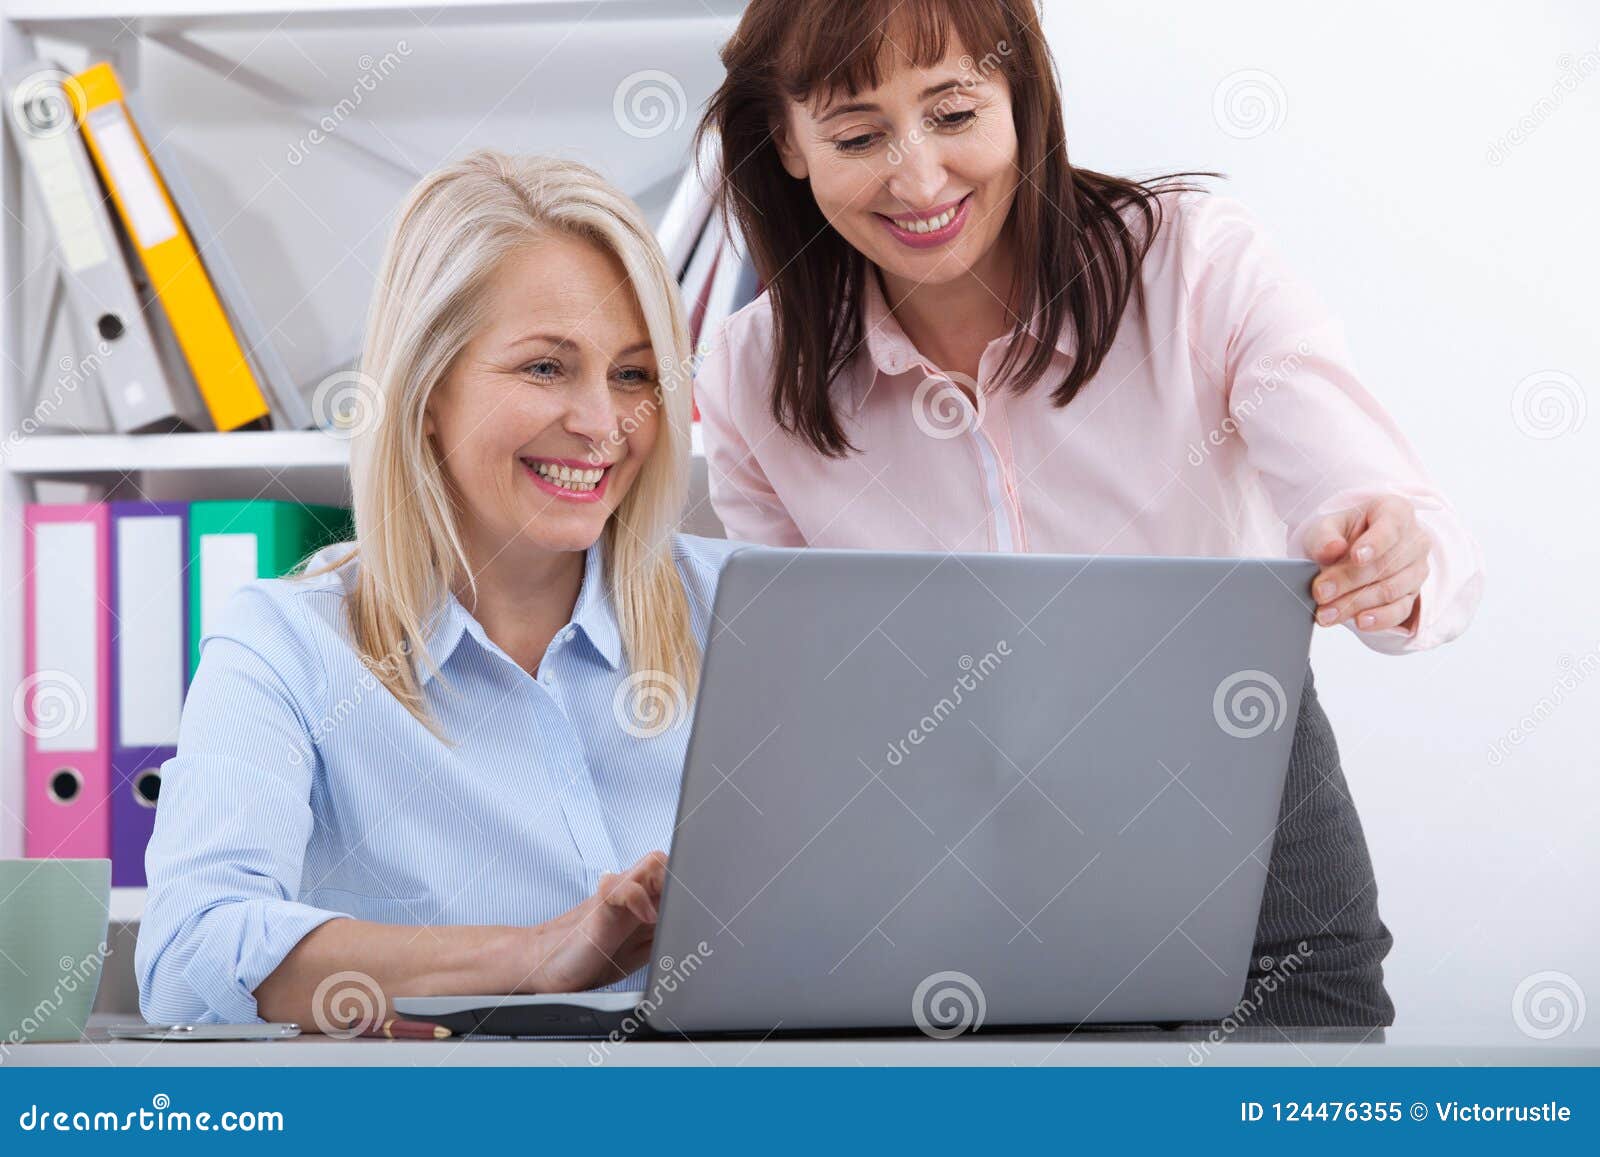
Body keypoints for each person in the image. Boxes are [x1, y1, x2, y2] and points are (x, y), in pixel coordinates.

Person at [694, 0, 1485, 1025]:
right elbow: (802, 704)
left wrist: (1390, 556)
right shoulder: (753, 374)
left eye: (952, 112)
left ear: (1022, 95)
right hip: (940, 859)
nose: (919, 178)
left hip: (1235, 808)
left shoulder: (1192, 263)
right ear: (788, 146)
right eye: (855, 136)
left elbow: (1389, 508)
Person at [136, 151, 739, 1030]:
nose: (603, 424)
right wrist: (535, 956)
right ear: (425, 390)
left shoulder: (744, 613)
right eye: (545, 368)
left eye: (635, 374)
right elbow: (189, 957)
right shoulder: (288, 645)